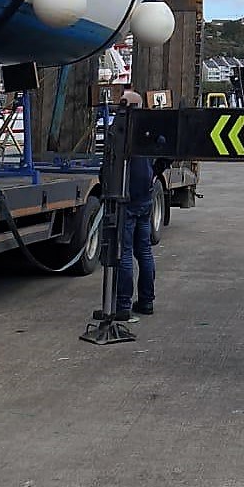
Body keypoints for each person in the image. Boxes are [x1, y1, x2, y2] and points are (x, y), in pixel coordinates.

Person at [114, 89, 156, 322]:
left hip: (127, 198)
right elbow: (166, 152)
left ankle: (122, 305)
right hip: (145, 198)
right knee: (145, 252)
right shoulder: (148, 130)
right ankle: (147, 301)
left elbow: (110, 161)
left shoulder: (121, 130)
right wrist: (155, 172)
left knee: (125, 253)